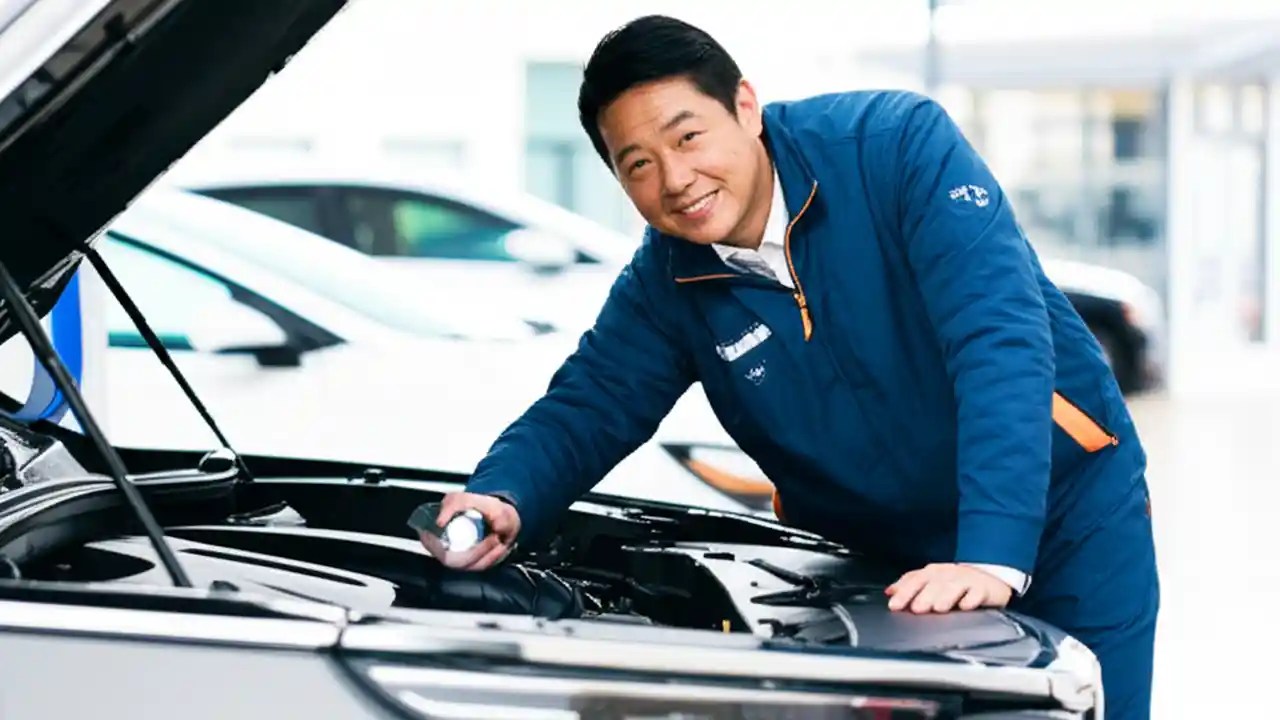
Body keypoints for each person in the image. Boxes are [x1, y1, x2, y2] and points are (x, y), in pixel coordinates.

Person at [420, 14, 1159, 719]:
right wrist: (502, 493)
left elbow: (997, 336)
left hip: (1066, 515)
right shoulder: (666, 281)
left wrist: (992, 554)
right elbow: (593, 399)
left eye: (689, 137)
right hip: (881, 563)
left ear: (745, 105)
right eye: (638, 165)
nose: (675, 179)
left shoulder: (895, 148)